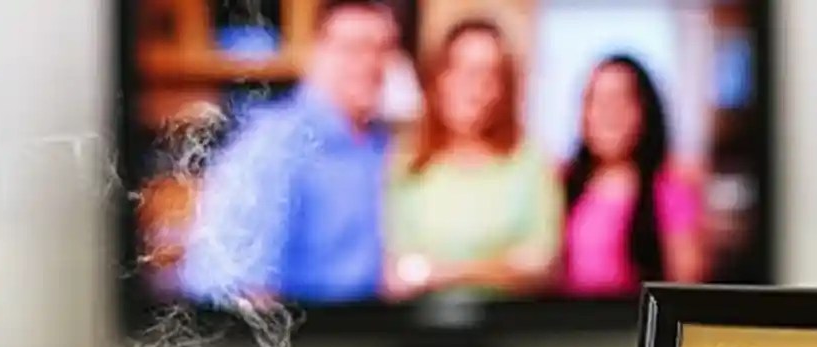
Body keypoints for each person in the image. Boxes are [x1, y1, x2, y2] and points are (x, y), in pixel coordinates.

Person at [179, 0, 401, 306]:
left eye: (383, 48)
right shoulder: (273, 145)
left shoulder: (382, 145)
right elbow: (238, 285)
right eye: (354, 48)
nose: (370, 62)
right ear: (316, 53)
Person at [385, 18, 562, 301]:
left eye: (489, 74)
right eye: (463, 70)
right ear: (439, 78)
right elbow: (400, 274)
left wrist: (447, 273)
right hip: (424, 332)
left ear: (506, 88)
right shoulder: (408, 161)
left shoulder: (529, 161)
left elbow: (539, 266)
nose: (475, 87)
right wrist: (500, 267)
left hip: (513, 330)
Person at [560, 55, 706, 297]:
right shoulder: (565, 184)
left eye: (619, 102)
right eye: (596, 102)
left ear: (644, 111)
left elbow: (689, 293)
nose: (608, 115)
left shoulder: (671, 192)